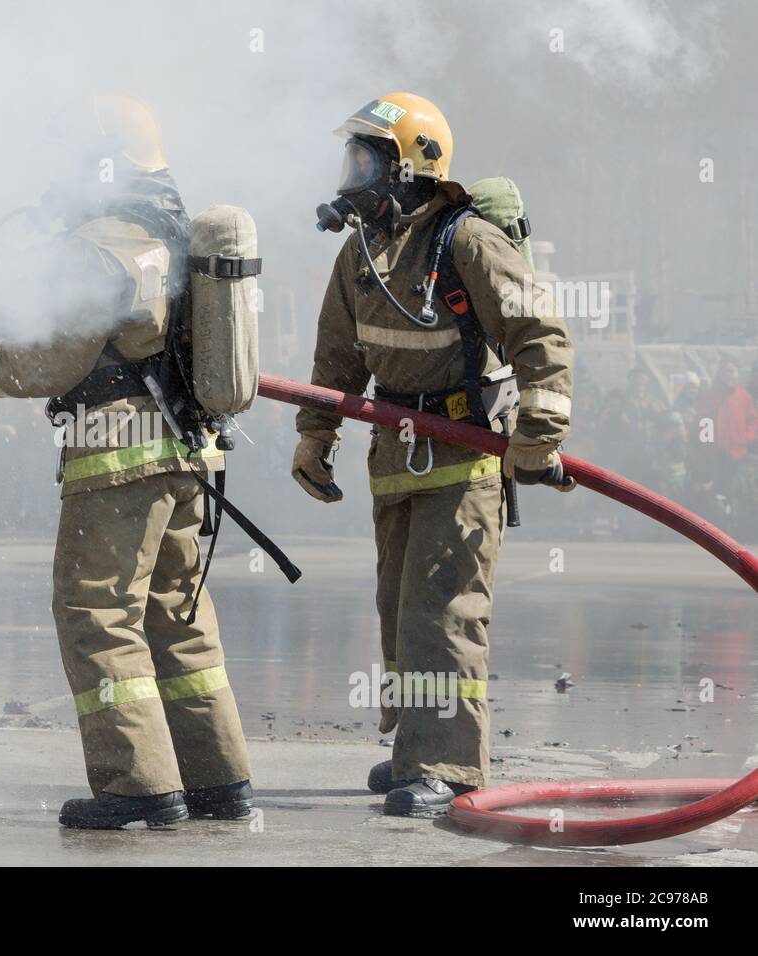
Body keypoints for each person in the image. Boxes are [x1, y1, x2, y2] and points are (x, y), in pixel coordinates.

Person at [0, 94, 253, 828]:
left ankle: (136, 786)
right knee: (176, 616)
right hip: (185, 452)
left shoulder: (99, 243)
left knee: (98, 612)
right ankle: (218, 780)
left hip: (117, 453)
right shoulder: (171, 233)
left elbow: (51, 365)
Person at [292, 92, 575, 816]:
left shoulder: (467, 241)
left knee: (443, 615)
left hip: (464, 457)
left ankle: (448, 764)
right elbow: (336, 359)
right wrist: (314, 436)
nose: (351, 175)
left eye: (366, 160)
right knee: (397, 613)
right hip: (396, 460)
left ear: (412, 164)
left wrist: (539, 436)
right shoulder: (360, 254)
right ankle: (415, 748)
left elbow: (540, 337)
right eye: (349, 158)